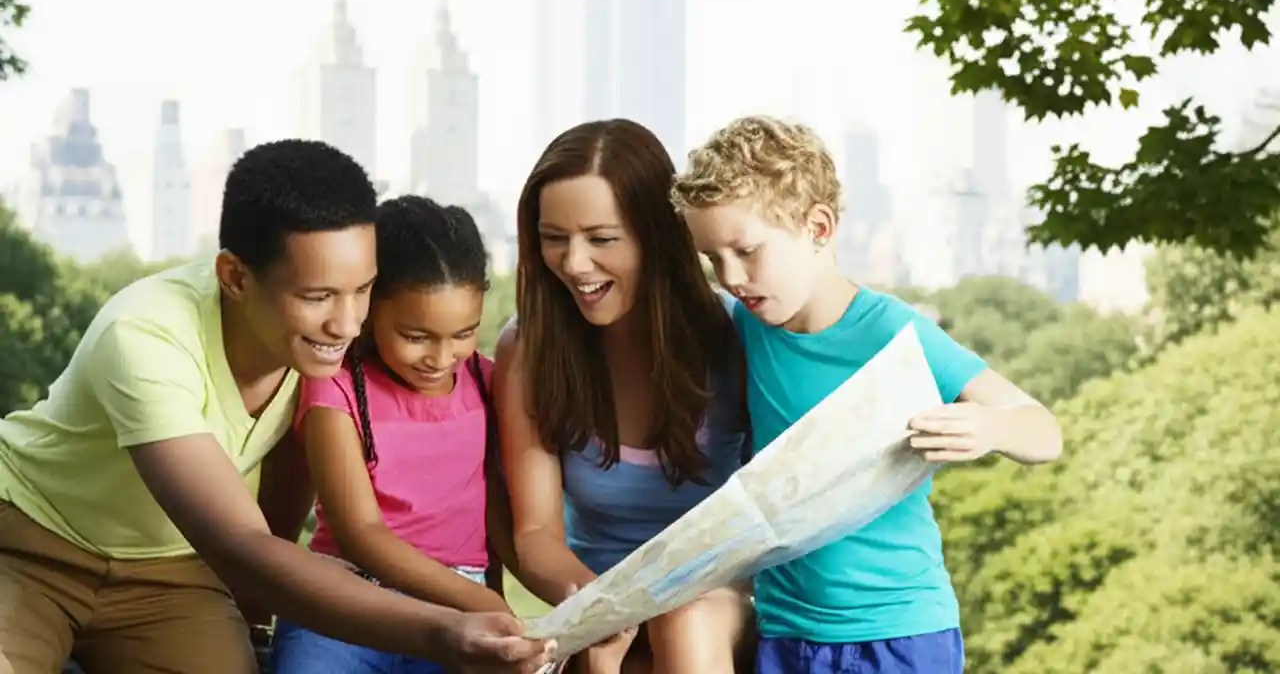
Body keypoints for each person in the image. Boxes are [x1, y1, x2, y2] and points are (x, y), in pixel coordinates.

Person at [0, 140, 554, 674]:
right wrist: (442, 629)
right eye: (318, 297)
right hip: (31, 544)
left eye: (362, 289)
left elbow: (289, 483)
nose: (347, 323)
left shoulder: (345, 344)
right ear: (235, 277)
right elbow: (242, 544)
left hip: (171, 574)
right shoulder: (144, 334)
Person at [671, 115, 1064, 674]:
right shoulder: (747, 325)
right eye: (714, 259)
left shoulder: (892, 332)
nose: (732, 276)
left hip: (900, 633)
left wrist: (991, 428)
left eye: (747, 251)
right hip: (785, 632)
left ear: (819, 228)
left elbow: (1043, 431)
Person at [496, 119, 755, 674]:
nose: (574, 263)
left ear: (656, 235)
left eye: (602, 239)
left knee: (685, 621)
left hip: (720, 608)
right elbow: (537, 535)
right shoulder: (528, 349)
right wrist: (604, 609)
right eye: (554, 238)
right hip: (596, 610)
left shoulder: (737, 337)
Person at [271, 194, 522, 673]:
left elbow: (499, 511)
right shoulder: (335, 390)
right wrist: (480, 601)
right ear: (368, 307)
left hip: (457, 606)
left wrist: (494, 601)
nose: (442, 357)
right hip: (347, 604)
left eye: (463, 333)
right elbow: (362, 534)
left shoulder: (487, 383)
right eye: (416, 336)